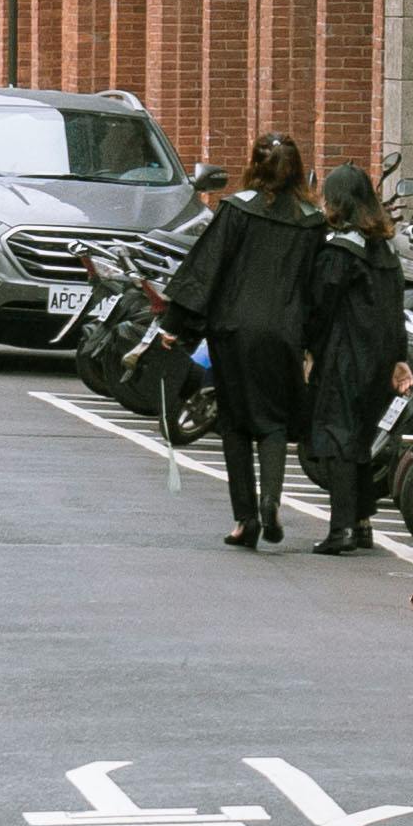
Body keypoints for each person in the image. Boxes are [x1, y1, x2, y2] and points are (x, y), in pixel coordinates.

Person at [167, 135, 307, 549]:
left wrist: (176, 325)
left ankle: (245, 519)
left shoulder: (236, 210)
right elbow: (317, 286)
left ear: (254, 166)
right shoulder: (311, 220)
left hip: (233, 331)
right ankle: (272, 499)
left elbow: (205, 270)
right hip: (284, 331)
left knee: (235, 423)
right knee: (273, 420)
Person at [299, 160, 411, 555]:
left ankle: (342, 528)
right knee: (362, 438)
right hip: (380, 355)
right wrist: (400, 357)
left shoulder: (340, 250)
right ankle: (363, 523)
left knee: (337, 439)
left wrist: (309, 349)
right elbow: (397, 309)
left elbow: (321, 306)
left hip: (345, 353)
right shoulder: (384, 249)